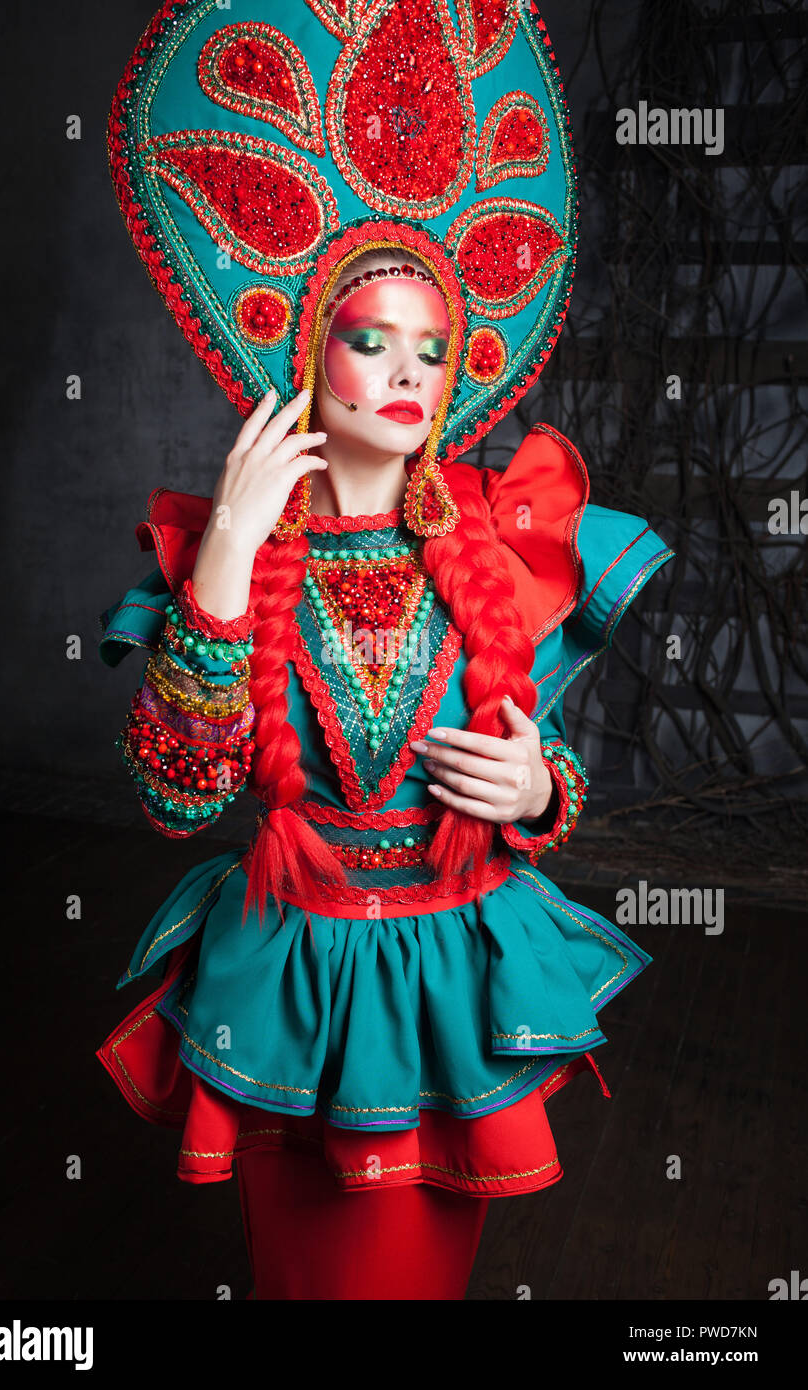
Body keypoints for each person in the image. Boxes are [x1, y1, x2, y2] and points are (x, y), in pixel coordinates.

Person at [95, 0, 675, 1299]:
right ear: (311, 351)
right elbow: (176, 790)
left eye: (430, 345)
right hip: (289, 974)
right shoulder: (227, 560)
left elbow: (553, 780)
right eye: (370, 340)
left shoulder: (497, 551)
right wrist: (231, 557)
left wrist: (536, 788)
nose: (408, 373)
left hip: (449, 984)